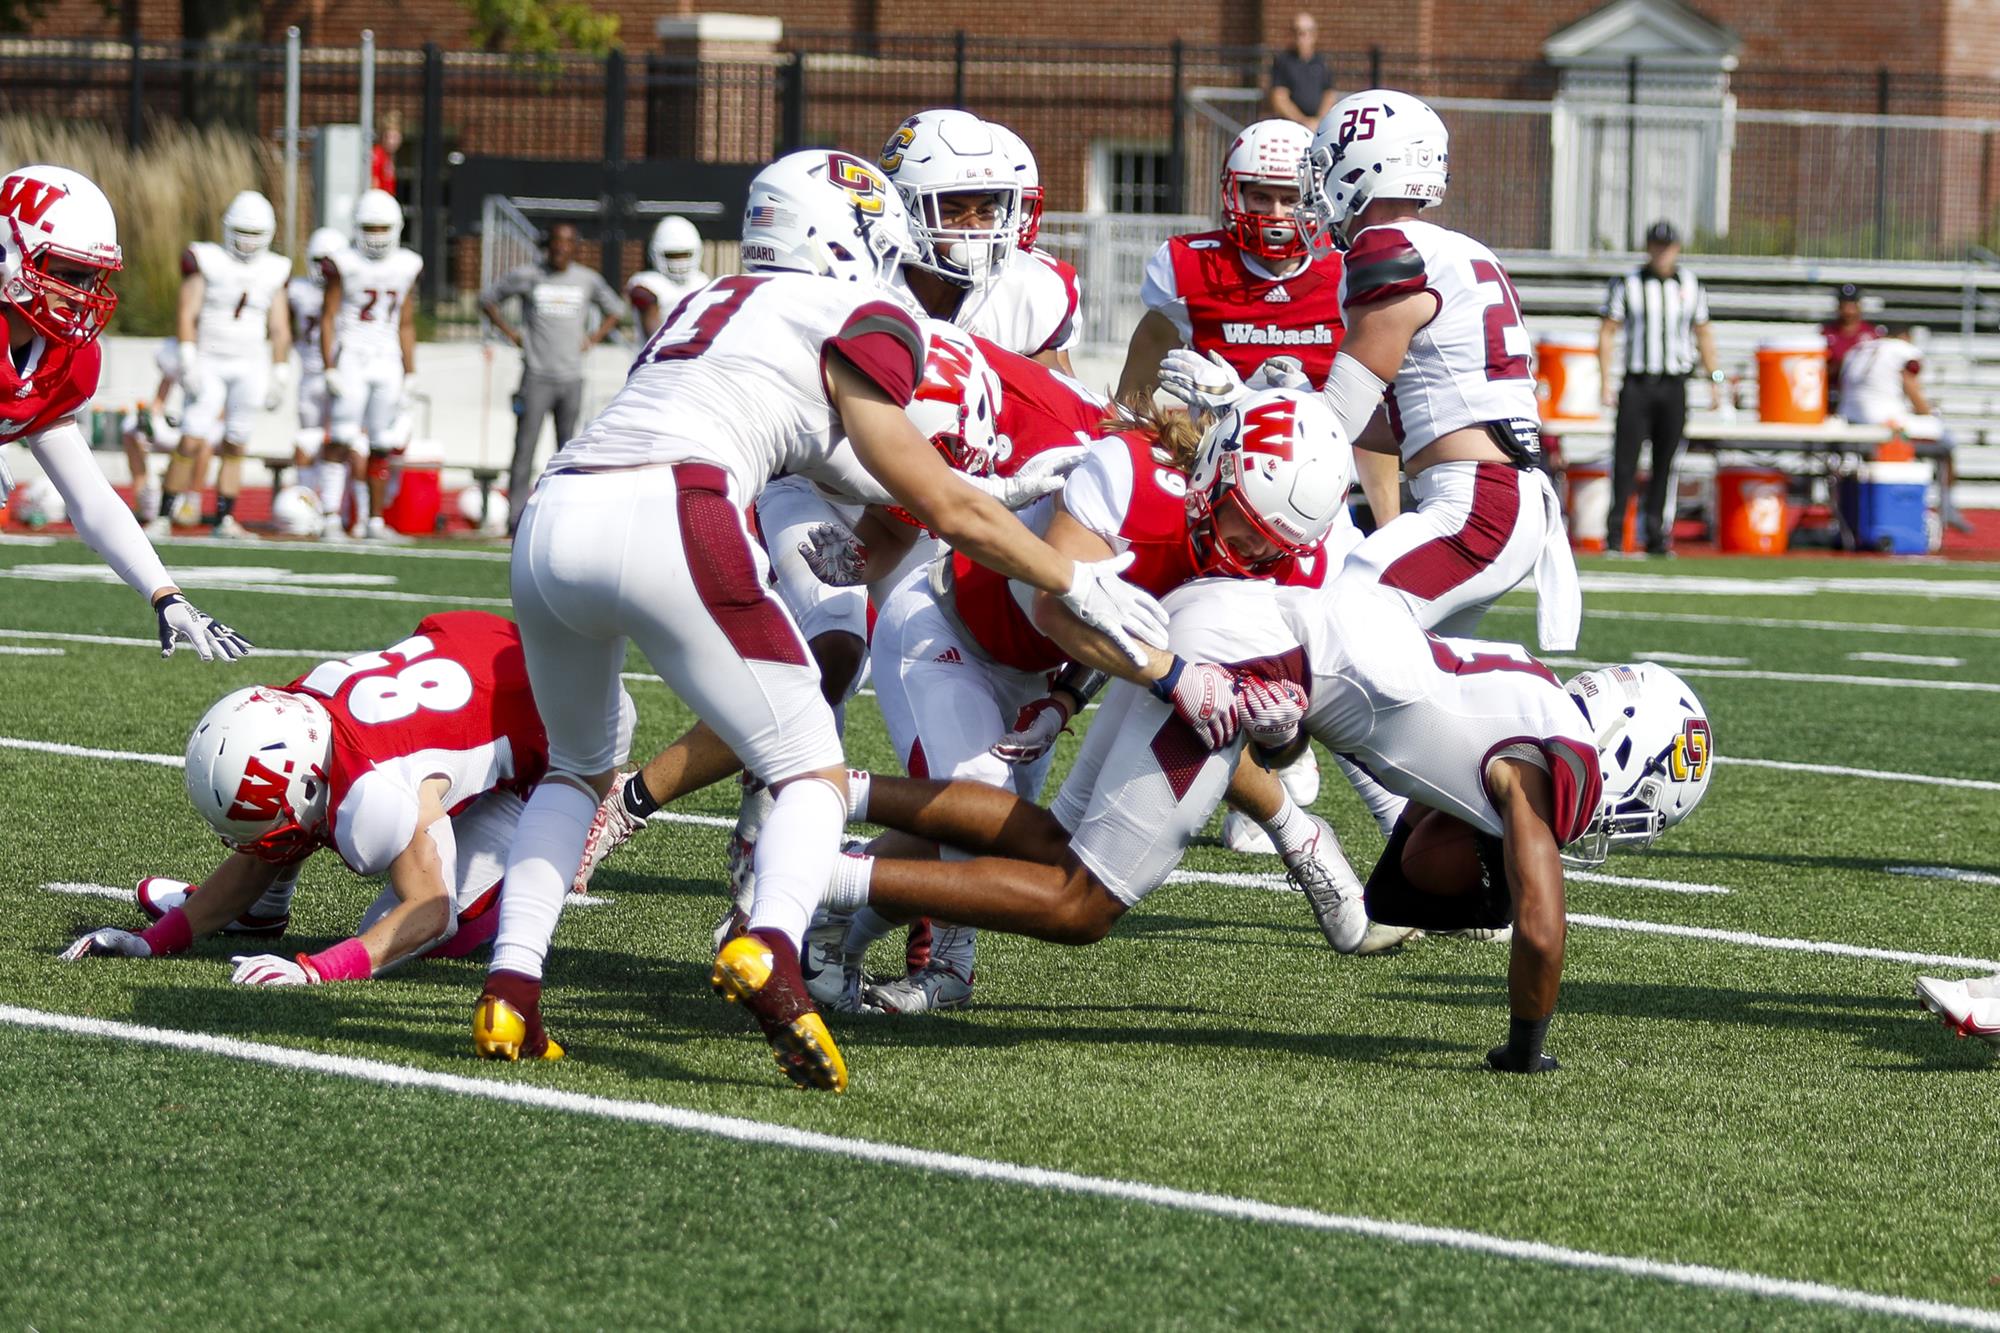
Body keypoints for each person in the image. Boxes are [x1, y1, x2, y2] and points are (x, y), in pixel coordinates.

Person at [472, 150, 1175, 1093]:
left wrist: (993, 487)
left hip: (553, 514)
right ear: (851, 235)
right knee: (811, 765)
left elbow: (843, 464)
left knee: (574, 768)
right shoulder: (862, 311)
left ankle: (511, 986)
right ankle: (773, 947)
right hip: (675, 501)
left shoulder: (702, 301)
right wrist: (1066, 574)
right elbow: (917, 483)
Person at [818, 581, 1712, 1073]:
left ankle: (836, 788)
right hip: (1248, 662)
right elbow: (1543, 931)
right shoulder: (1559, 761)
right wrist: (1525, 1051)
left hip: (1229, 619)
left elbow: (1413, 868)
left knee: (1056, 840)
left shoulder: (1527, 681)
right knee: (1080, 903)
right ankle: (823, 876)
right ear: (1629, 752)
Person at [1169, 89, 1581, 653]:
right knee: (1405, 687)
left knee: (1341, 622)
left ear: (1362, 165)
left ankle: (1551, 726)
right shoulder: (1461, 249)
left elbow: (1336, 420)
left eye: (1322, 166)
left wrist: (1238, 399)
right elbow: (1406, 426)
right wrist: (1301, 395)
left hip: (1479, 503)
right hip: (1497, 493)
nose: (1314, 188)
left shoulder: (1386, 247)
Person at [59, 612, 633, 987]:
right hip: (481, 655)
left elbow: (429, 912)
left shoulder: (375, 787)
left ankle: (588, 813)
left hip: (568, 725)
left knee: (431, 936)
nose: (263, 843)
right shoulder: (303, 711)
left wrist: (317, 971)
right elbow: (278, 827)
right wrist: (155, 941)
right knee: (304, 822)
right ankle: (258, 917)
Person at [0, 163, 248, 662]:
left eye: (93, 276)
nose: (83, 294)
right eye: (69, 274)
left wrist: (164, 592)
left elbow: (89, 495)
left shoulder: (65, 359)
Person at [1118, 119, 1345, 403]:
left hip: (1325, 443)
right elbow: (1131, 402)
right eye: (1261, 197)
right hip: (1217, 442)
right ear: (1235, 194)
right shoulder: (1192, 266)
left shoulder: (1349, 269)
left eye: (1291, 199)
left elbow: (1379, 419)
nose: (1275, 214)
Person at [881, 110, 1081, 373]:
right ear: (903, 209)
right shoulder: (869, 285)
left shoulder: (1026, 290)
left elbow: (1057, 409)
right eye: (952, 211)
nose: (974, 226)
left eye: (986, 211)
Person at [148, 190, 293, 540]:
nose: (246, 241)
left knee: (236, 442)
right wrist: (187, 356)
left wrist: (280, 370)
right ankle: (165, 513)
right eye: (241, 231)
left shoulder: (274, 269)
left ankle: (225, 518)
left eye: (254, 233)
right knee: (191, 439)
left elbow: (279, 327)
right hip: (210, 360)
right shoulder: (207, 259)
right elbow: (187, 311)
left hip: (249, 364)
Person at [481, 222, 623, 535]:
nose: (561, 248)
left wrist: (593, 337)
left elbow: (616, 309)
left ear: (575, 247)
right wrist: (513, 335)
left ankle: (563, 518)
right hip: (536, 376)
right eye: (556, 242)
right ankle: (515, 520)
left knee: (567, 450)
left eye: (568, 243)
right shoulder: (529, 275)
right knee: (524, 450)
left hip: (571, 377)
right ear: (548, 245)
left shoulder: (586, 279)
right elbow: (488, 299)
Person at [1596, 219, 1722, 556]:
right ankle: (1615, 535)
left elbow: (1703, 334)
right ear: (1648, 248)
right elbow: (1608, 330)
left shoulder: (1691, 284)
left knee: (1665, 463)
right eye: (1656, 245)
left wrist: (1716, 380)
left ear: (1677, 248)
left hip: (1673, 385)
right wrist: (1605, 380)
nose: (1662, 252)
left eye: (1667, 246)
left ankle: (1655, 535)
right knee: (1625, 462)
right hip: (1637, 383)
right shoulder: (1628, 283)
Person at [322, 189, 422, 538]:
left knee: (382, 441)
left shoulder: (406, 264)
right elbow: (329, 316)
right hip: (352, 354)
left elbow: (406, 322)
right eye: (370, 227)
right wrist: (329, 365)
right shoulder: (344, 261)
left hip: (387, 358)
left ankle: (376, 521)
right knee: (341, 436)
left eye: (383, 228)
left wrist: (410, 370)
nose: (377, 235)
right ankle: (331, 517)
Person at [289, 226, 350, 531]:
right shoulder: (297, 289)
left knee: (345, 442)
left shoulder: (347, 291)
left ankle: (341, 511)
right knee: (308, 442)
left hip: (339, 376)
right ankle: (308, 507)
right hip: (310, 376)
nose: (323, 268)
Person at [627, 215, 707, 339]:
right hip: (661, 356)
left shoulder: (702, 281)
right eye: (672, 255)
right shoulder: (646, 284)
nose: (680, 261)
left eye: (685, 254)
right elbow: (656, 337)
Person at [1822, 281, 1883, 414]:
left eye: (1852, 304)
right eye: (1845, 304)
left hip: (1862, 397)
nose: (1848, 309)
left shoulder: (1872, 334)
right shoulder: (1826, 333)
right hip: (1833, 395)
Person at [1267, 13, 1336, 129]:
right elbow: (1279, 98)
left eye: (1304, 32)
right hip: (1291, 127)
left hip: (1317, 127)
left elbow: (1329, 95)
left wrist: (1318, 121)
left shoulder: (1321, 62)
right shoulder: (1283, 61)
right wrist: (1302, 121)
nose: (1300, 37)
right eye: (1296, 32)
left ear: (1314, 35)